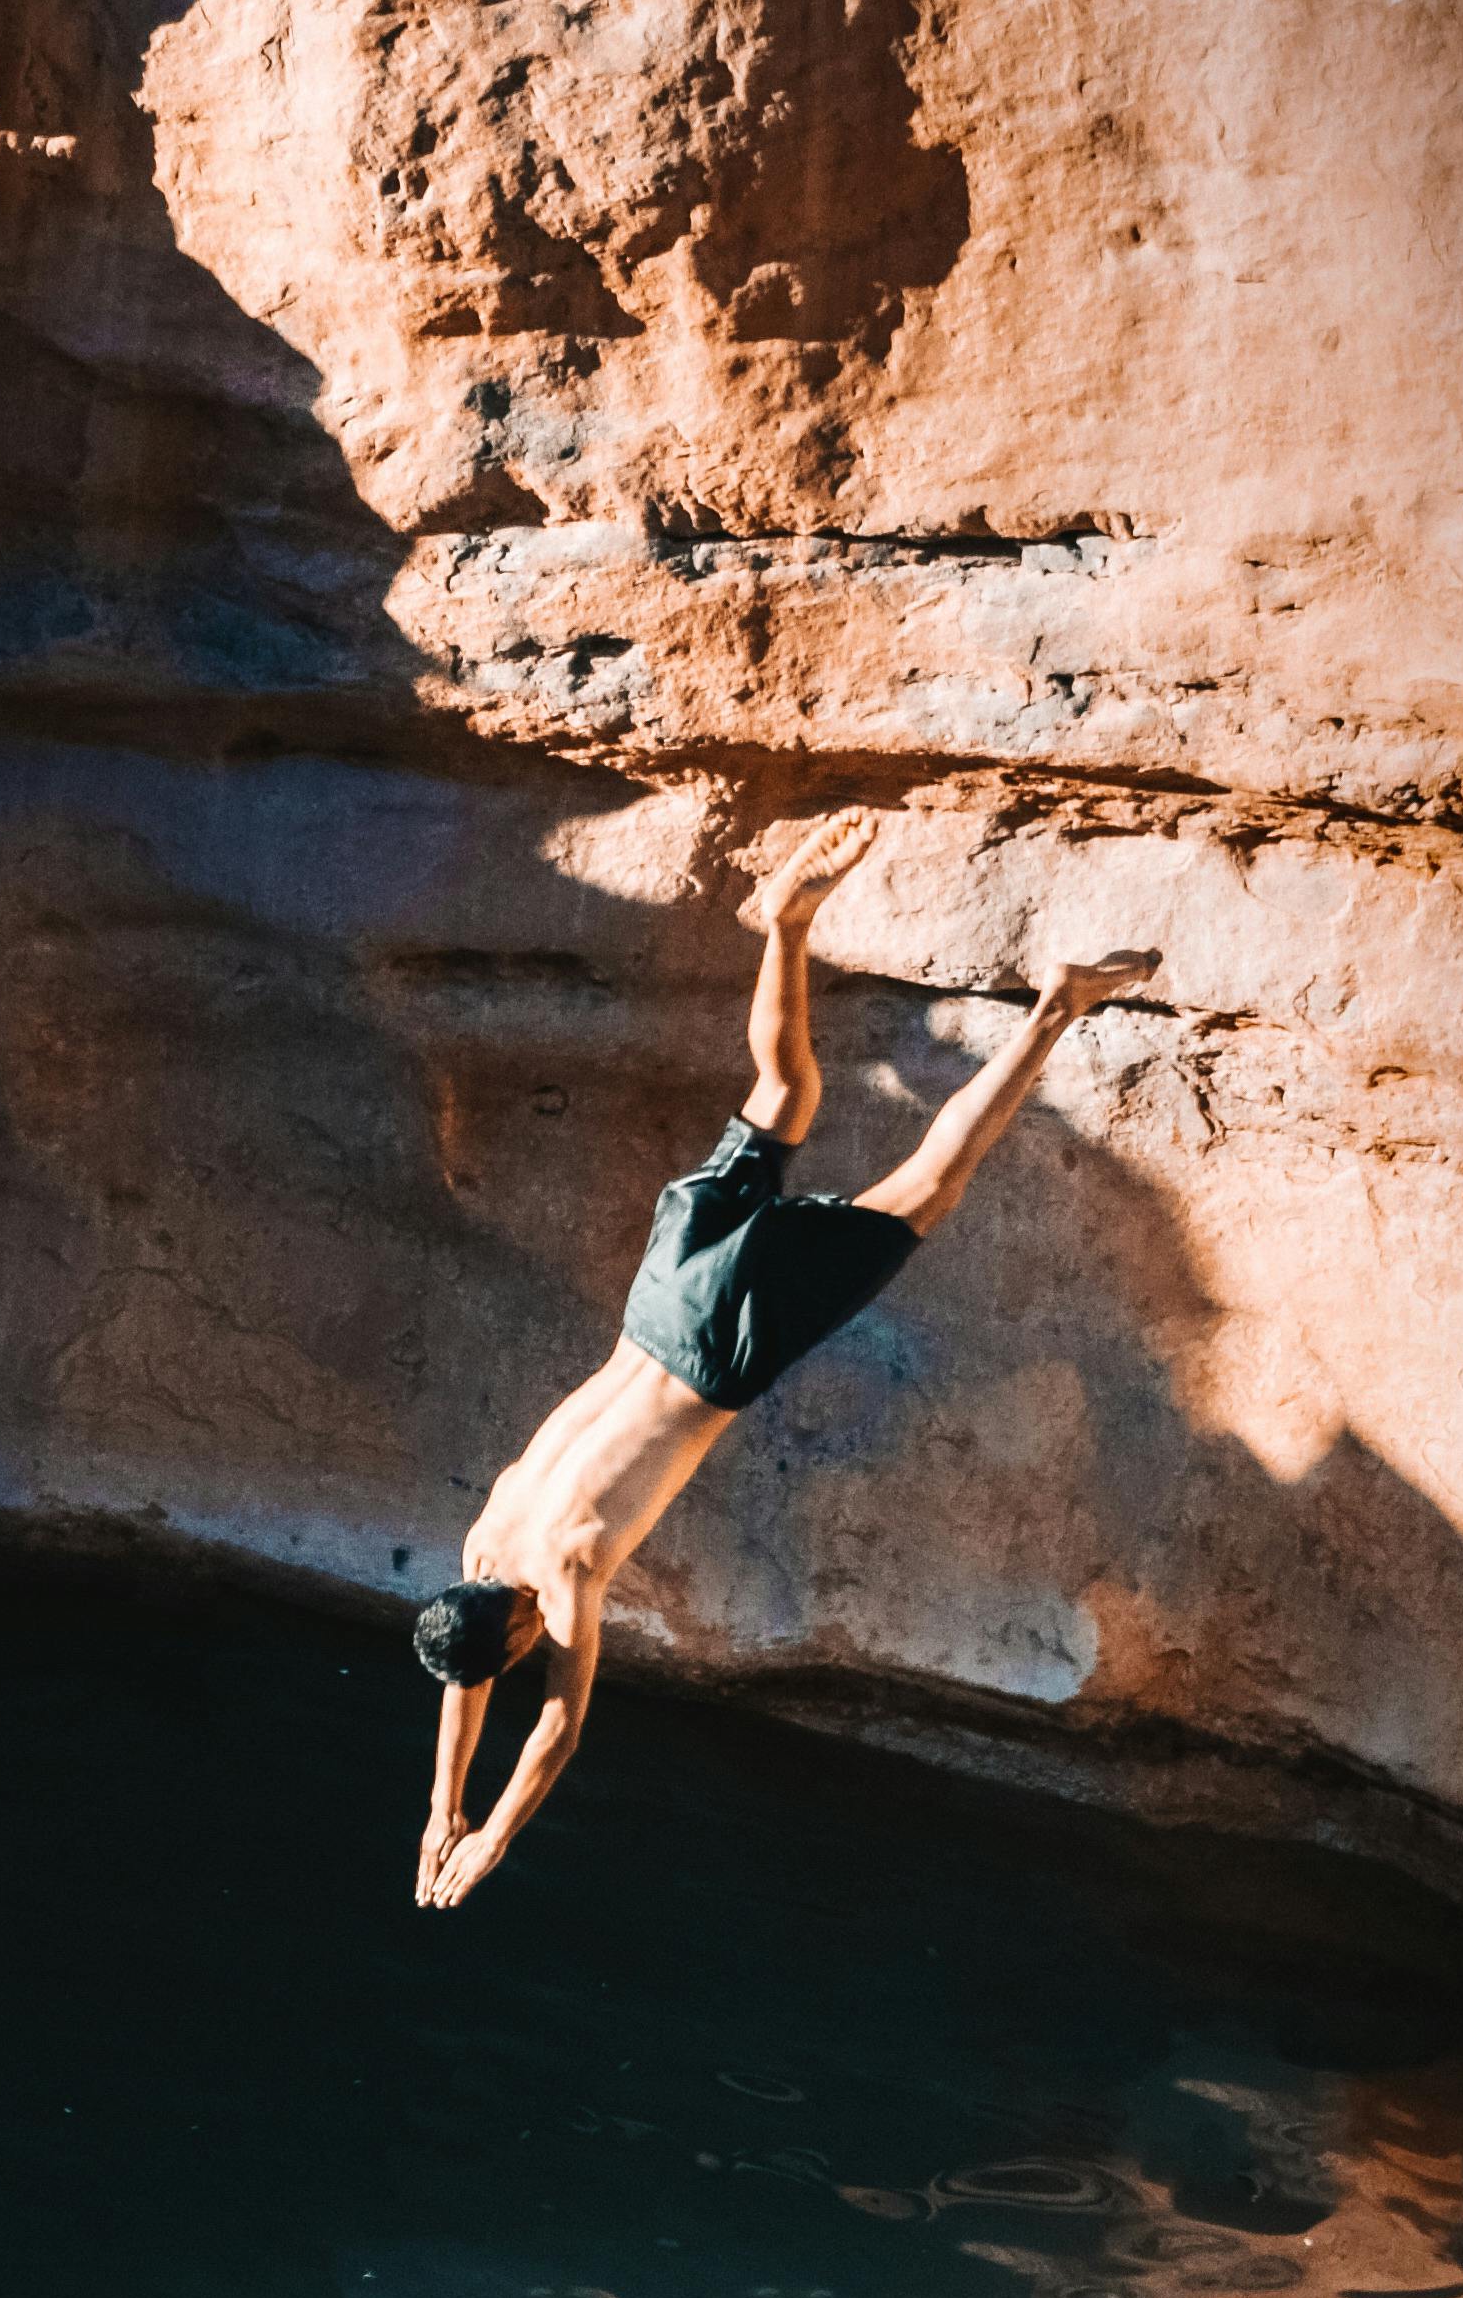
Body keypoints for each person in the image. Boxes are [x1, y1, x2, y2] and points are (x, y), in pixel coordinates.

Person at [411, 809, 1158, 1909]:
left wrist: (493, 1837)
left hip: (721, 1346)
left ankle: (1054, 1011)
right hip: (659, 1294)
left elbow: (559, 1727)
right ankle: (788, 927)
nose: (523, 1655)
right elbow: (468, 1680)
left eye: (516, 1647)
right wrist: (438, 1805)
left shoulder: (563, 1571)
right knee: (782, 1098)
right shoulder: (491, 1533)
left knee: (926, 1189)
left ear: (520, 1622)